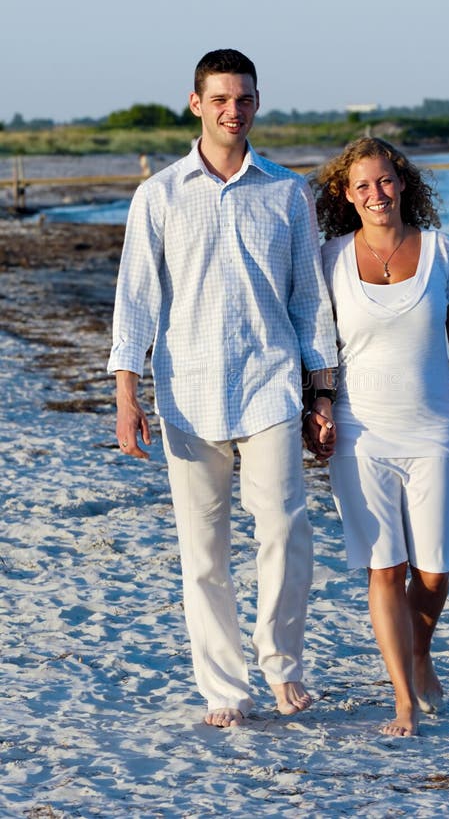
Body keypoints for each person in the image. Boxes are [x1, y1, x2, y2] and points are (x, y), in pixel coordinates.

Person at [107, 49, 338, 728]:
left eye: (243, 99)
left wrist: (322, 394)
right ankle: (223, 690)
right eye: (220, 99)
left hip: (271, 386)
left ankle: (281, 664)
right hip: (187, 394)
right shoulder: (159, 195)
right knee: (202, 554)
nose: (232, 110)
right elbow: (136, 302)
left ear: (256, 103)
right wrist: (126, 395)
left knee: (285, 532)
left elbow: (309, 304)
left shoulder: (288, 193)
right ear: (196, 103)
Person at [313, 137, 449, 737]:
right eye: (363, 186)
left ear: (403, 182)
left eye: (385, 181)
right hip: (359, 432)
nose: (377, 194)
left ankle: (421, 655)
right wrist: (316, 408)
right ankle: (401, 696)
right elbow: (319, 347)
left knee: (433, 570)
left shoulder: (443, 252)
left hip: (432, 429)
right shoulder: (329, 259)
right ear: (346, 195)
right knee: (383, 568)